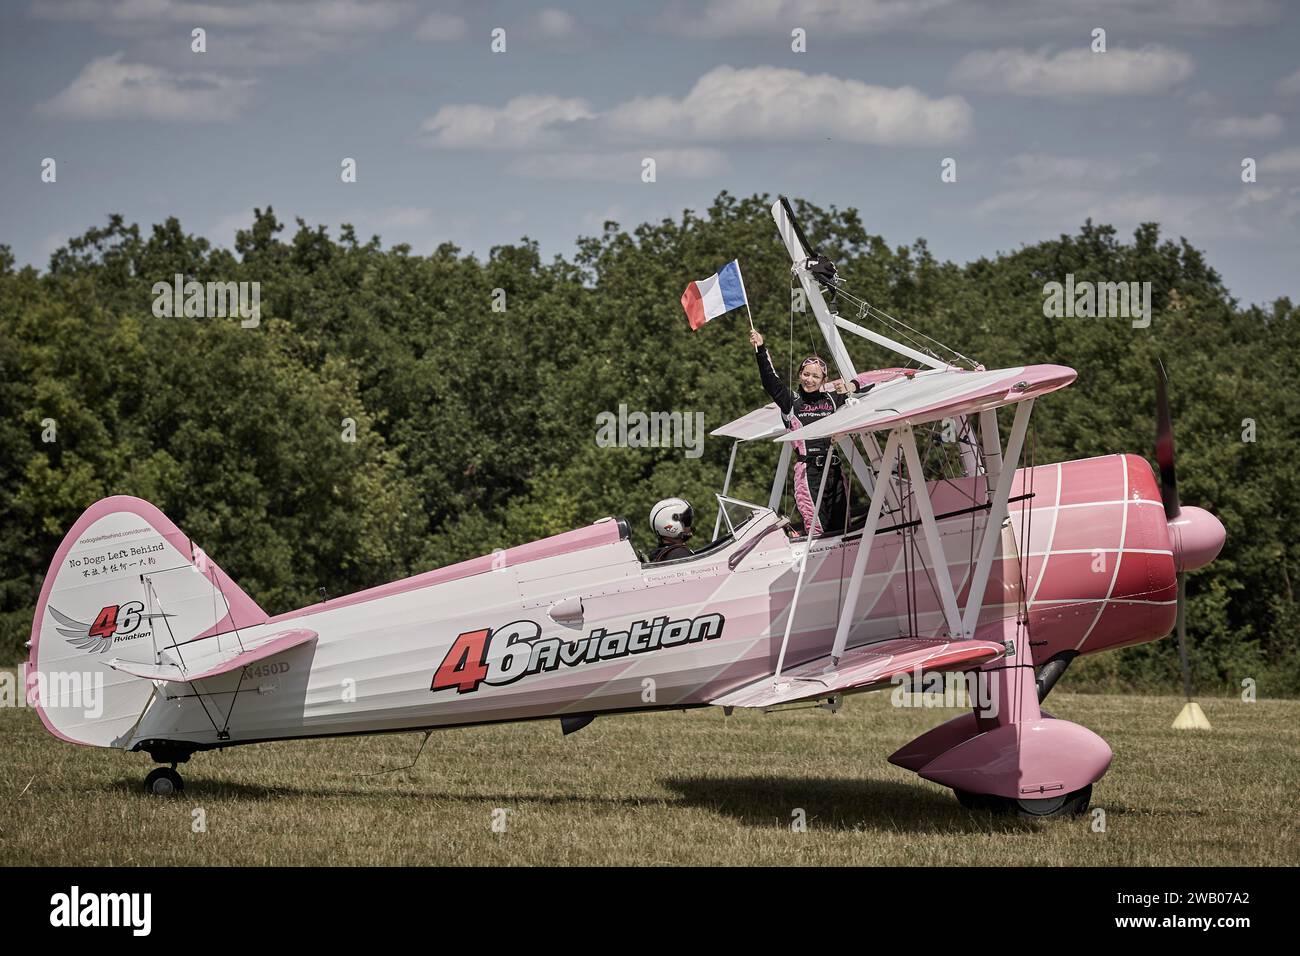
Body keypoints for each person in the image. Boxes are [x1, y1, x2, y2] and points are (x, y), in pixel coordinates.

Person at [749, 328, 875, 537]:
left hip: (834, 471)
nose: (810, 380)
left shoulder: (832, 399)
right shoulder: (791, 401)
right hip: (809, 473)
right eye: (806, 374)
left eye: (816, 376)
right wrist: (761, 349)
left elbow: (871, 381)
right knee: (818, 530)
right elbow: (769, 381)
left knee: (844, 527)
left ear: (824, 379)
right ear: (799, 375)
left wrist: (850, 387)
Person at [647, 497, 694, 561]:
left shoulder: (660, 553)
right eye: (687, 521)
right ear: (672, 525)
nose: (690, 527)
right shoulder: (679, 554)